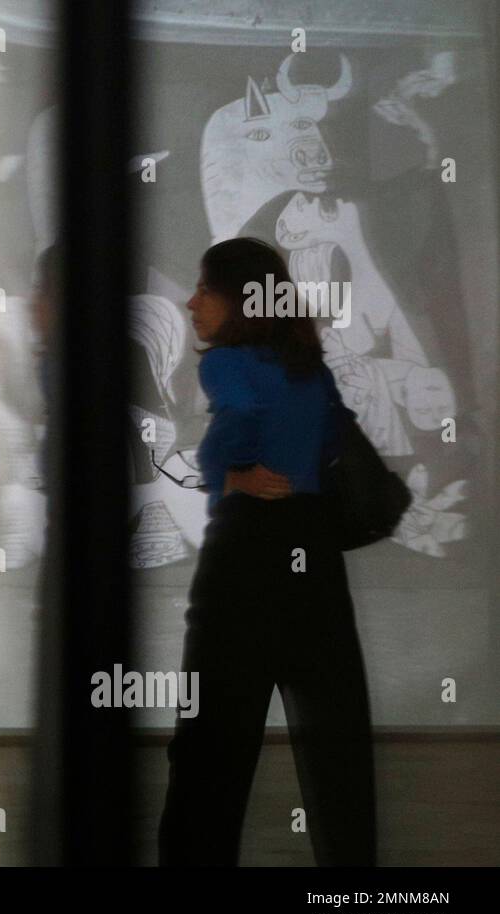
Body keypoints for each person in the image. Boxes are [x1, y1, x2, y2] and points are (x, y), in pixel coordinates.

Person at [157, 237, 376, 866]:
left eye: (204, 289)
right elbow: (334, 433)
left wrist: (229, 468)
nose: (190, 301)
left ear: (239, 300)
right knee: (336, 748)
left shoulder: (226, 364)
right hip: (314, 559)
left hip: (245, 557)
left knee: (211, 746)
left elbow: (233, 430)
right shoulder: (310, 364)